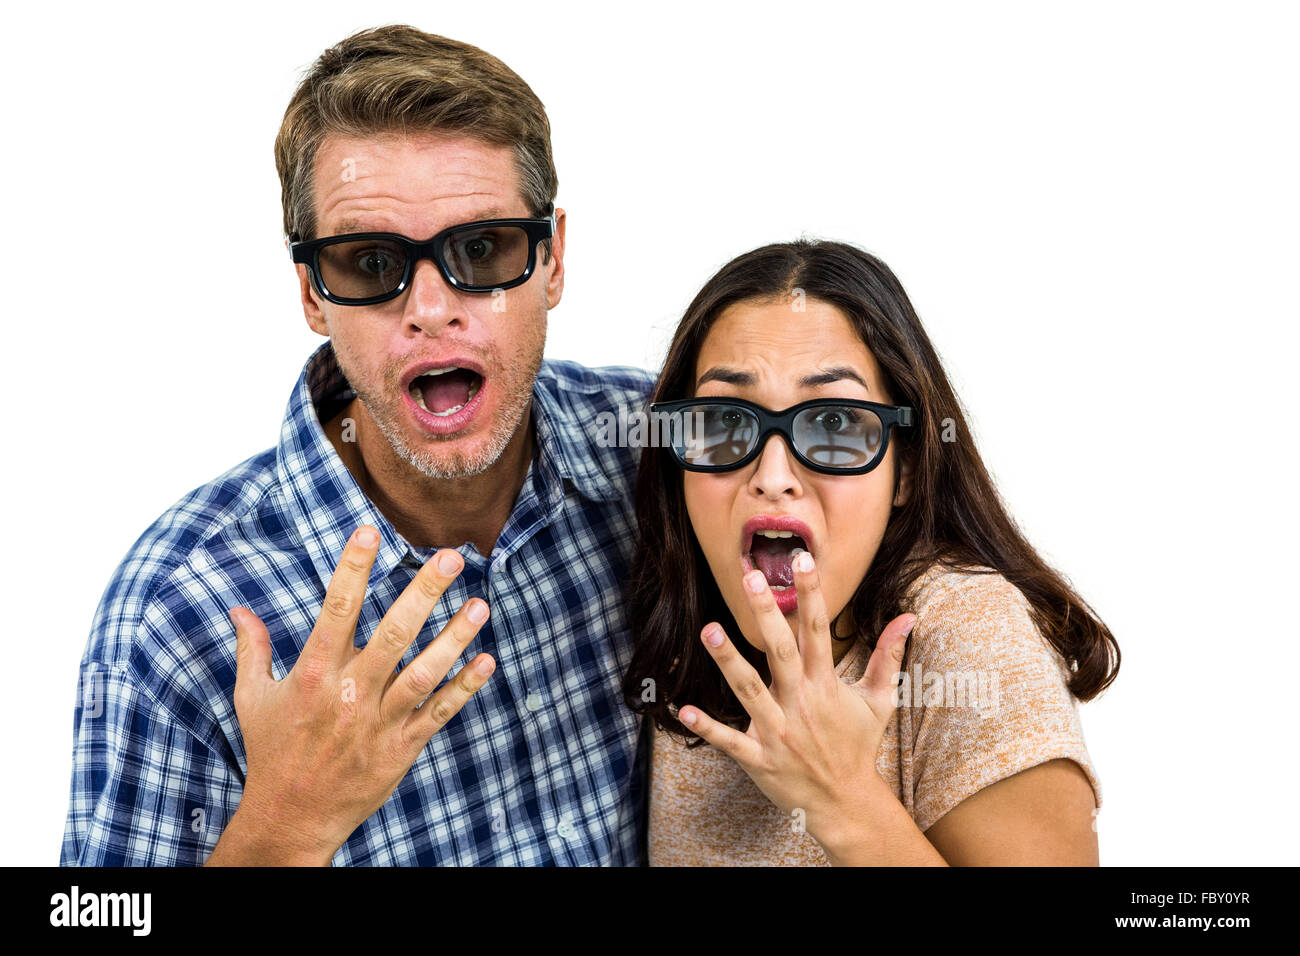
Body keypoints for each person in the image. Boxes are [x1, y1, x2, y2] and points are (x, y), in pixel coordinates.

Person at [61, 25, 655, 866]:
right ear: (312, 292)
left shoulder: (662, 457)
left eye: (481, 250)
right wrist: (284, 828)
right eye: (372, 263)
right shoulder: (180, 611)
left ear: (553, 258)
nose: (431, 306)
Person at [621, 239, 1120, 865]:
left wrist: (843, 799)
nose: (773, 475)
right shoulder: (684, 637)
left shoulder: (969, 632)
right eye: (723, 421)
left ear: (905, 467)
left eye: (833, 423)